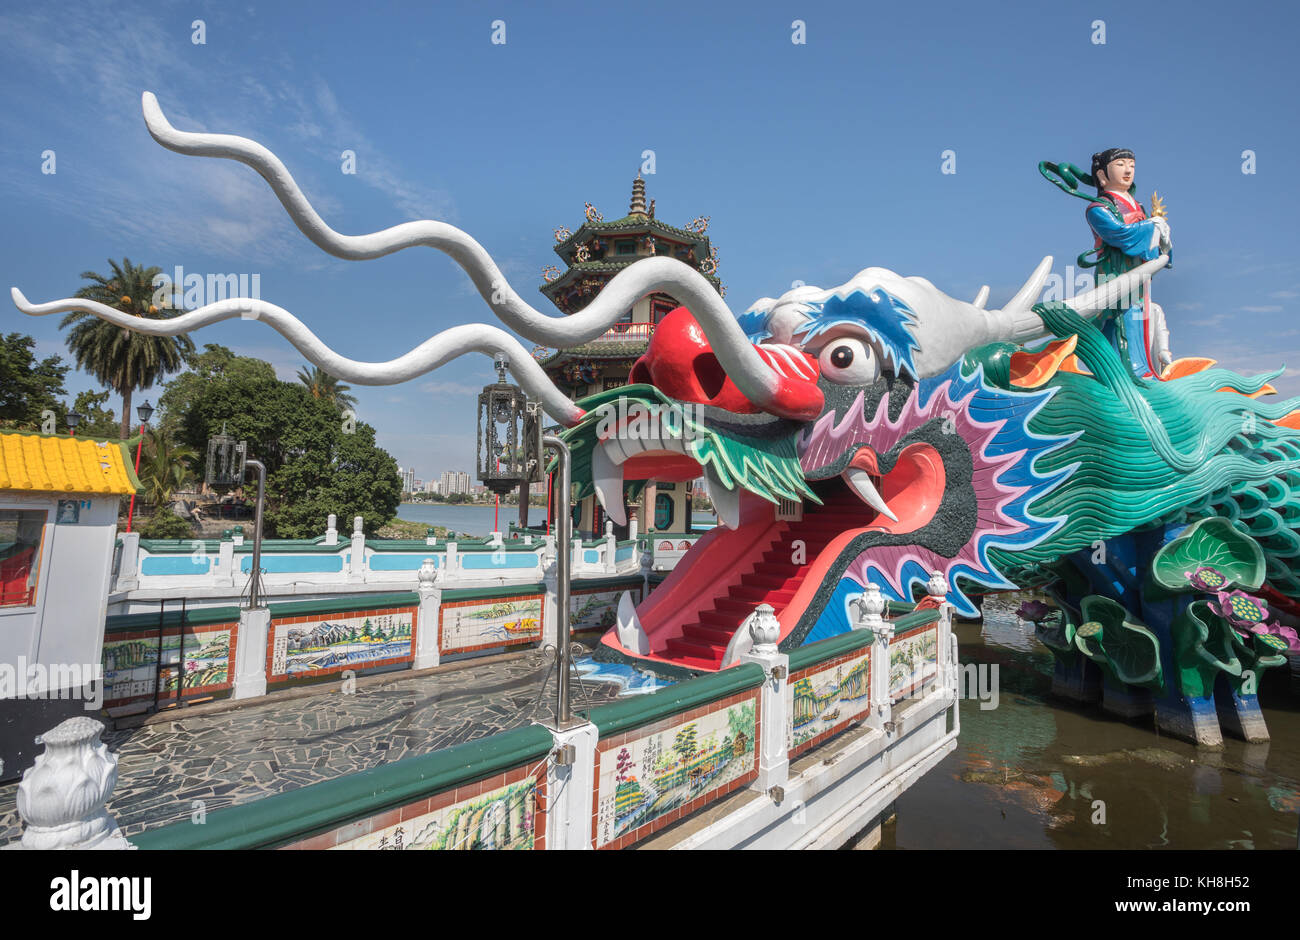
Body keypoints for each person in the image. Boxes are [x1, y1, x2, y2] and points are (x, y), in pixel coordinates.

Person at [1084, 148, 1173, 378]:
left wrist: (1163, 236)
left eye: (1132, 165)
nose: (1128, 170)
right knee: (1121, 318)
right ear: (1103, 174)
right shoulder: (1099, 208)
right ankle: (1122, 372)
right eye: (1121, 164)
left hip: (1140, 280)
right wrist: (1151, 227)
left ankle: (1145, 368)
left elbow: (1156, 250)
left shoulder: (1140, 208)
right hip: (1114, 275)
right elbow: (1120, 235)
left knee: (1142, 316)